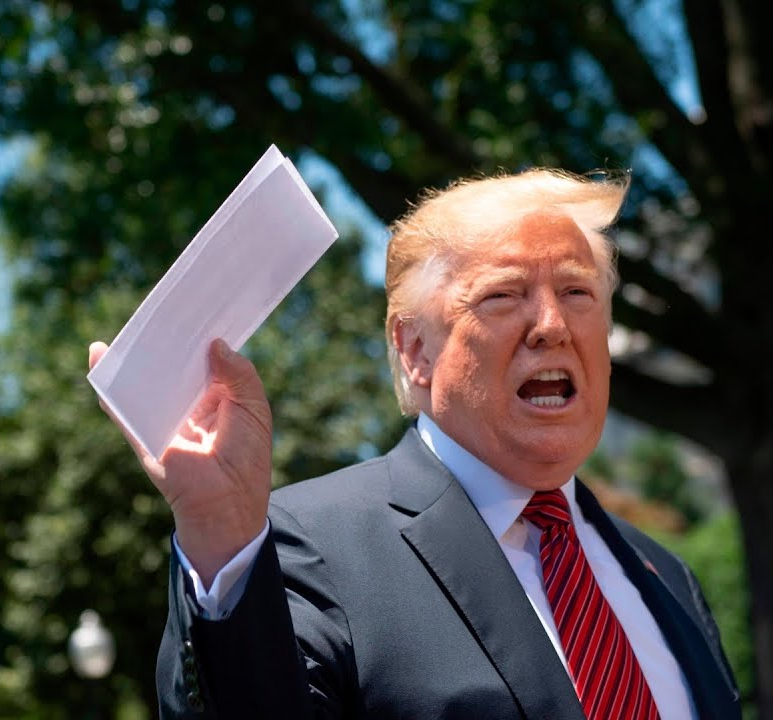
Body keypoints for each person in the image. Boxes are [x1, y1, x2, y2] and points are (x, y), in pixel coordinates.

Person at [88, 168, 740, 719]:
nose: (551, 324)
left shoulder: (668, 578)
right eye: (503, 295)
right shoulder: (301, 548)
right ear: (415, 349)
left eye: (577, 292)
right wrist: (220, 535)